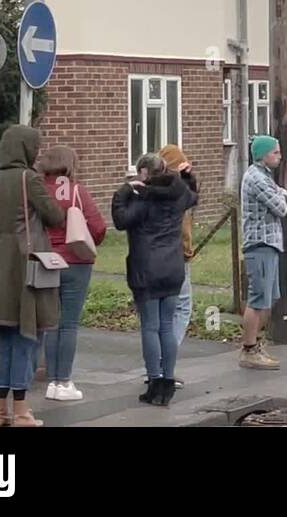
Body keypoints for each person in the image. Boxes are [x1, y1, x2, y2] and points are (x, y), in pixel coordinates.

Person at [0, 125, 66, 427]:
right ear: (25, 149)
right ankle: (21, 411)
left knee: (6, 339)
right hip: (26, 265)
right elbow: (55, 216)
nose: (38, 152)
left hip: (0, 263)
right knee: (27, 337)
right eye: (35, 147)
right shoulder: (28, 178)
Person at [113, 153, 196, 406]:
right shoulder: (178, 194)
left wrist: (124, 191)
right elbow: (193, 196)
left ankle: (154, 381)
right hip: (173, 267)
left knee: (150, 326)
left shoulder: (142, 200)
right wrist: (188, 178)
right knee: (167, 326)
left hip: (146, 269)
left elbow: (120, 220)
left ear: (146, 174)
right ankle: (168, 382)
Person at [37, 146, 106, 403]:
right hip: (75, 263)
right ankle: (64, 381)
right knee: (68, 324)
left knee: (52, 322)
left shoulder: (38, 190)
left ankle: (52, 381)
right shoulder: (77, 191)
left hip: (46, 260)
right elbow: (98, 228)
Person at [238, 135, 287, 370]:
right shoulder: (257, 178)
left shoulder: (264, 176)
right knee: (258, 299)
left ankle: (257, 344)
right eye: (275, 152)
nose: (280, 155)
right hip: (259, 244)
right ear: (263, 155)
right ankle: (249, 349)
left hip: (270, 244)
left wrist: (281, 193)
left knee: (270, 299)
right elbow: (281, 207)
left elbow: (280, 196)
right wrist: (282, 195)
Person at [158, 144, 198, 354]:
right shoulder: (177, 194)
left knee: (159, 315)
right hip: (176, 257)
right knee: (181, 307)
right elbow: (192, 199)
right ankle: (167, 359)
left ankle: (157, 365)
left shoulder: (150, 190)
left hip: (152, 258)